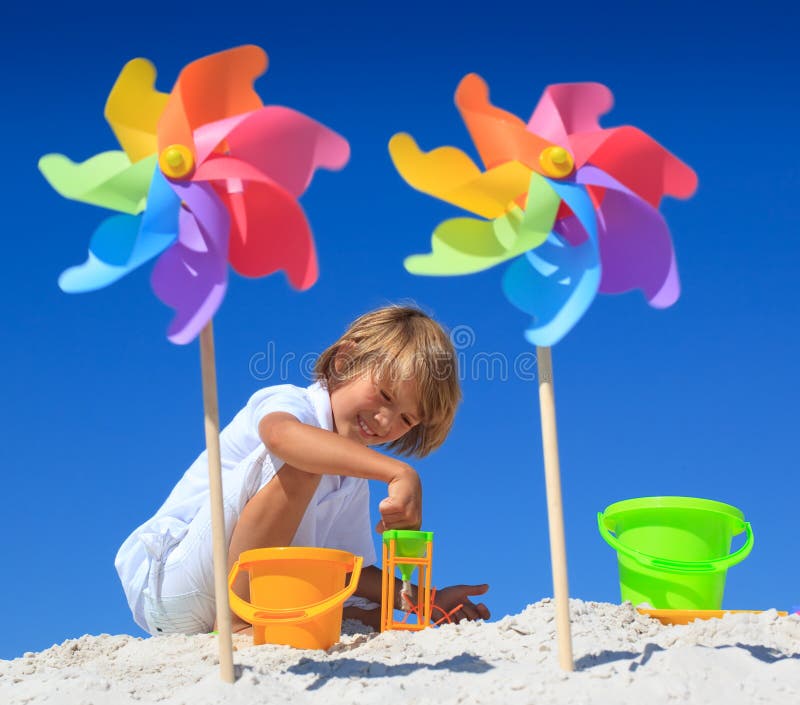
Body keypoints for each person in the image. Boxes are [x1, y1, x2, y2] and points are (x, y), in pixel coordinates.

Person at [115, 304, 490, 636]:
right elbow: (282, 438)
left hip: (237, 585)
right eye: (385, 396)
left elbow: (351, 569)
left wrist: (430, 599)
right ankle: (240, 624)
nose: (384, 420)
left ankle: (253, 615)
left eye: (406, 418)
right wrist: (400, 473)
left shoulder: (352, 477)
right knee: (305, 458)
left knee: (365, 615)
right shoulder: (290, 402)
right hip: (172, 584)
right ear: (344, 363)